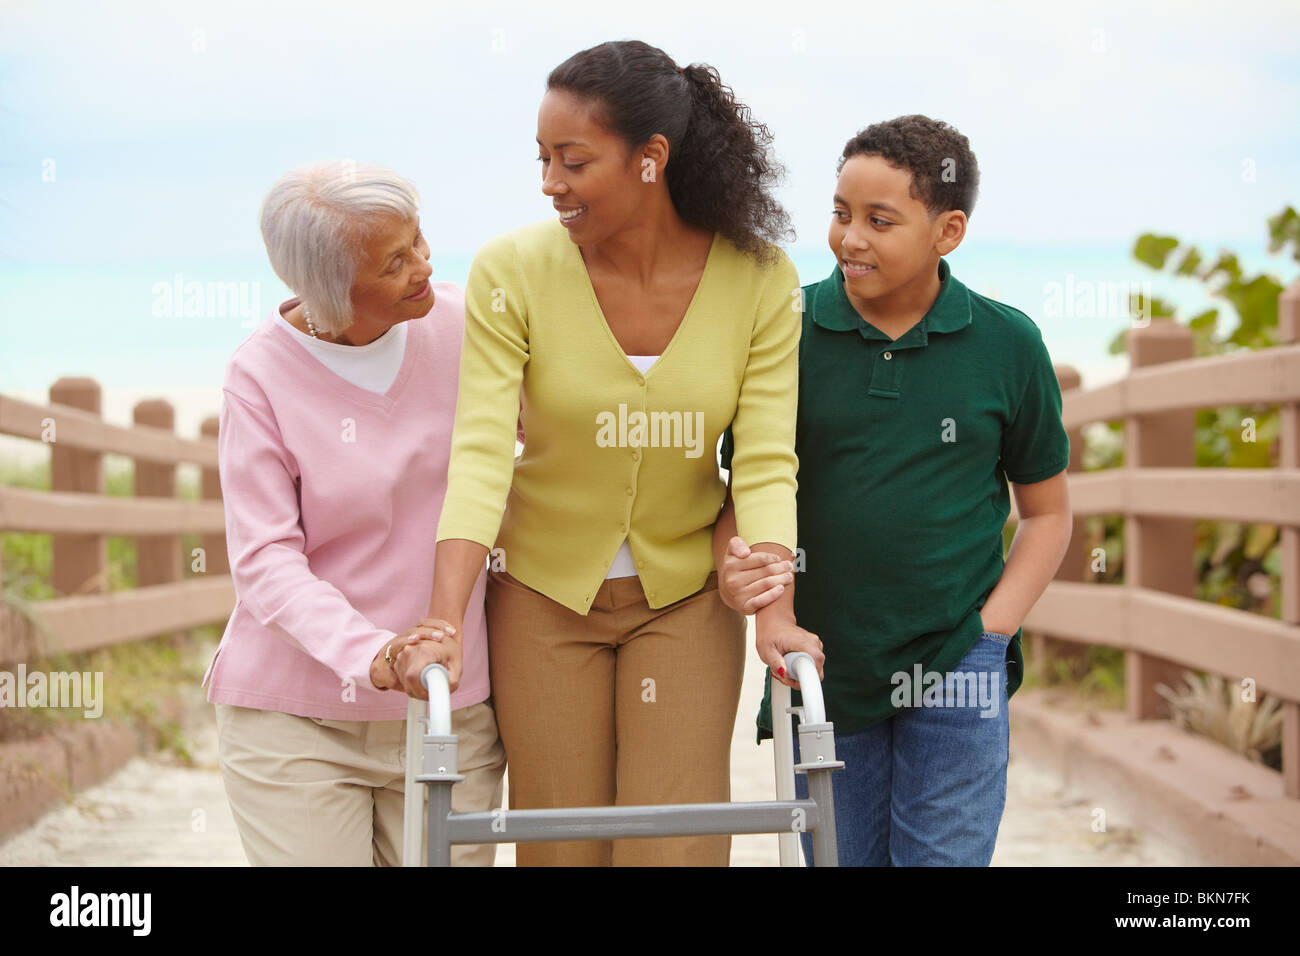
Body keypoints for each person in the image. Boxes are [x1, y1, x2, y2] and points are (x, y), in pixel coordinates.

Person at [403, 40, 822, 867]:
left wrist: (772, 605)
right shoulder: (512, 271)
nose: (550, 182)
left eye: (573, 160)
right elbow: (483, 452)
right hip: (542, 595)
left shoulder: (759, 278)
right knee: (561, 845)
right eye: (543, 159)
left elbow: (768, 459)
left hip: (684, 599)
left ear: (649, 160)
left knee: (677, 844)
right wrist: (444, 619)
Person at [716, 115, 1073, 866]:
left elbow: (1046, 515)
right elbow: (741, 493)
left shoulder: (1008, 345)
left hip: (956, 663)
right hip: (821, 664)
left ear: (948, 231)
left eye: (880, 221)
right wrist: (756, 597)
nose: (850, 238)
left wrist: (991, 634)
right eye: (841, 213)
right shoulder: (785, 328)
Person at [203, 160, 506, 867]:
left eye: (419, 241)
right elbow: (265, 562)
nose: (424, 265)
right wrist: (374, 654)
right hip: (294, 718)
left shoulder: (464, 328)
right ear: (330, 289)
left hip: (445, 703)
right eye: (394, 261)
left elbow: (547, 439)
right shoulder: (259, 377)